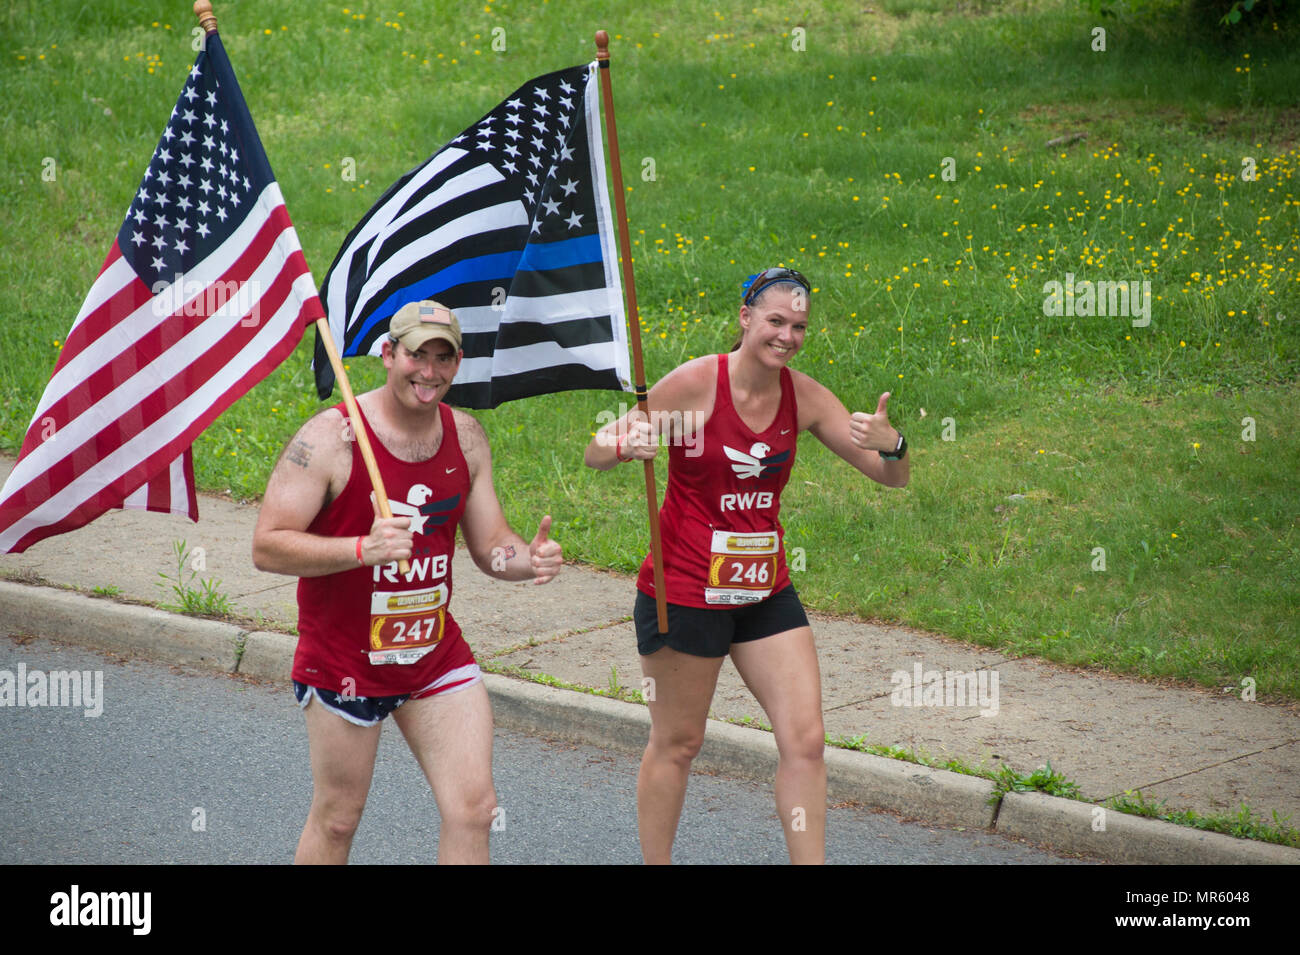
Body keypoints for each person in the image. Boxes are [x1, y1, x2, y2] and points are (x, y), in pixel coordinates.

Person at [584, 268, 909, 864]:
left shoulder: (803, 396)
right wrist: (622, 444)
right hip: (683, 591)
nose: (786, 336)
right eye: (776, 321)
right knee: (679, 742)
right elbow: (596, 451)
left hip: (763, 590)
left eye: (799, 326)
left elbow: (891, 477)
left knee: (806, 741)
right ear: (745, 318)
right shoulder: (694, 385)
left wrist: (893, 443)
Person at [253, 300, 562, 865]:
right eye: (418, 354)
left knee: (474, 809)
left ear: (458, 362)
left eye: (444, 358)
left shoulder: (465, 437)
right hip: (346, 660)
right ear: (388, 354)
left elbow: (492, 545)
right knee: (338, 819)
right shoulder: (331, 438)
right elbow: (267, 546)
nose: (430, 371)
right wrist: (360, 549)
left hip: (432, 653)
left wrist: (529, 559)